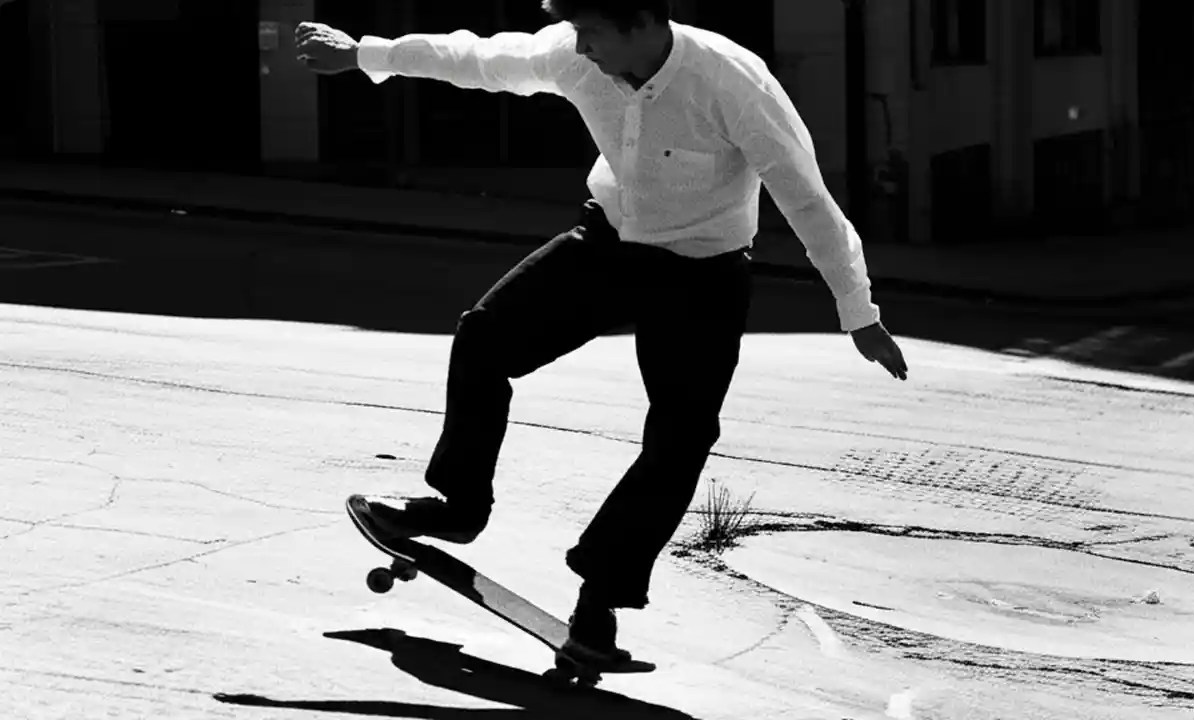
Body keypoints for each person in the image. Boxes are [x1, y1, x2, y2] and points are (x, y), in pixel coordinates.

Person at [295, 0, 908, 665]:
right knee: (484, 338)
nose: (580, 49)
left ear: (643, 24)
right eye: (577, 32)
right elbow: (476, 58)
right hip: (609, 243)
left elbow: (808, 199)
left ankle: (600, 601)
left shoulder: (732, 83)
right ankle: (457, 506)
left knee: (682, 433)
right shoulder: (570, 51)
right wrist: (363, 53)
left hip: (703, 273)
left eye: (593, 35)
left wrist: (859, 311)